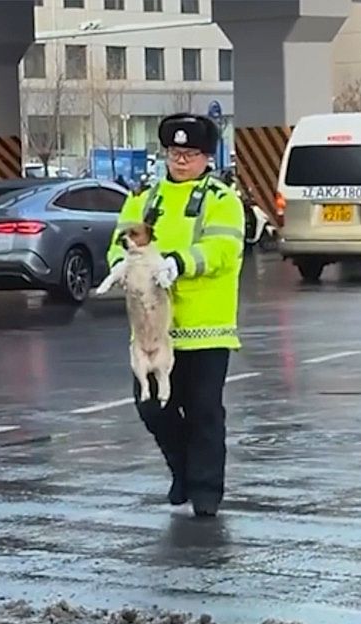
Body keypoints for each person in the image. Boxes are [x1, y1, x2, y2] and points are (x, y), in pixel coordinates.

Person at [106, 113, 247, 518]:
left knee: (204, 410)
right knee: (152, 406)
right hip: (152, 329)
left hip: (206, 328)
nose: (180, 161)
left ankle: (205, 491)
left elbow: (222, 251)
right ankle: (182, 469)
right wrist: (120, 264)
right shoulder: (144, 198)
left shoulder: (223, 200)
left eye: (189, 154)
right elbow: (118, 242)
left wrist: (179, 263)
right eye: (173, 152)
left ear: (207, 157)